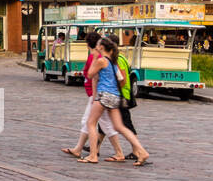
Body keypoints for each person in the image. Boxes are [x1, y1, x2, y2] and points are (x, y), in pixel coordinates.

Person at [79, 37, 151, 167]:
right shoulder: (113, 62)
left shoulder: (101, 61)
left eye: (98, 45)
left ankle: (93, 155)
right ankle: (142, 151)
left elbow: (89, 74)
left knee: (91, 123)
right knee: (120, 127)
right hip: (115, 96)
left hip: (103, 95)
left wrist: (94, 57)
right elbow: (122, 79)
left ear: (101, 48)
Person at [61, 35, 126, 162]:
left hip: (98, 96)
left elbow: (93, 77)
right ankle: (80, 149)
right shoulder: (104, 58)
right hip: (100, 95)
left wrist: (94, 97)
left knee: (95, 123)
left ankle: (96, 154)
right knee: (95, 122)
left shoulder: (96, 58)